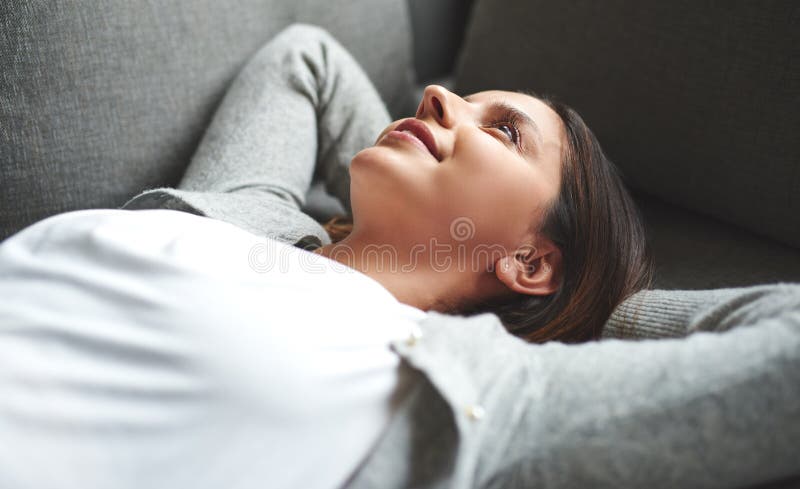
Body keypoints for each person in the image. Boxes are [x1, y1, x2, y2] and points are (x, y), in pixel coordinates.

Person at [0, 24, 798, 489]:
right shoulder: (254, 218)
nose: (438, 98)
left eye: (504, 131)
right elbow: (305, 59)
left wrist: (586, 302)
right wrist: (407, 193)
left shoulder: (477, 391)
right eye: (457, 99)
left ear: (531, 261)